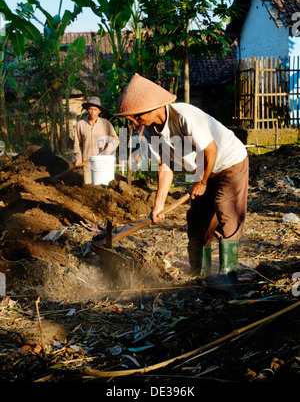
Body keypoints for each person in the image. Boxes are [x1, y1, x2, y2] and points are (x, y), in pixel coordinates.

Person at [115, 74, 249, 285]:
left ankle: (227, 276)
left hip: (228, 164)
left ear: (153, 108)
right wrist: (158, 205)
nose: (135, 122)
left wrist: (203, 182)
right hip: (202, 170)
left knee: (227, 212)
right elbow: (165, 165)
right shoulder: (150, 131)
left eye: (137, 117)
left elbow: (211, 149)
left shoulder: (185, 115)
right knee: (198, 219)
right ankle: (198, 273)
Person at [74, 96, 119, 184]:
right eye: (90, 109)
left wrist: (110, 147)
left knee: (103, 188)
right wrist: (78, 158)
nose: (92, 112)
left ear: (99, 111)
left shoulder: (106, 124)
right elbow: (77, 144)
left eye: (95, 109)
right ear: (87, 110)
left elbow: (115, 139)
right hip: (87, 163)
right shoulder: (81, 124)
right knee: (89, 189)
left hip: (102, 163)